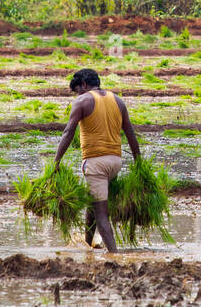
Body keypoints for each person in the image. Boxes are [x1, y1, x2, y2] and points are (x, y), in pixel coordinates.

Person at [52, 68, 142, 253]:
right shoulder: (117, 100)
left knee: (101, 214)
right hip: (116, 162)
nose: (78, 94)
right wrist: (138, 161)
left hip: (95, 164)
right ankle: (88, 243)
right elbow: (130, 133)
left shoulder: (82, 101)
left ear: (83, 85)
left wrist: (56, 161)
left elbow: (68, 132)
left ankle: (115, 256)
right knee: (93, 202)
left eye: (77, 90)